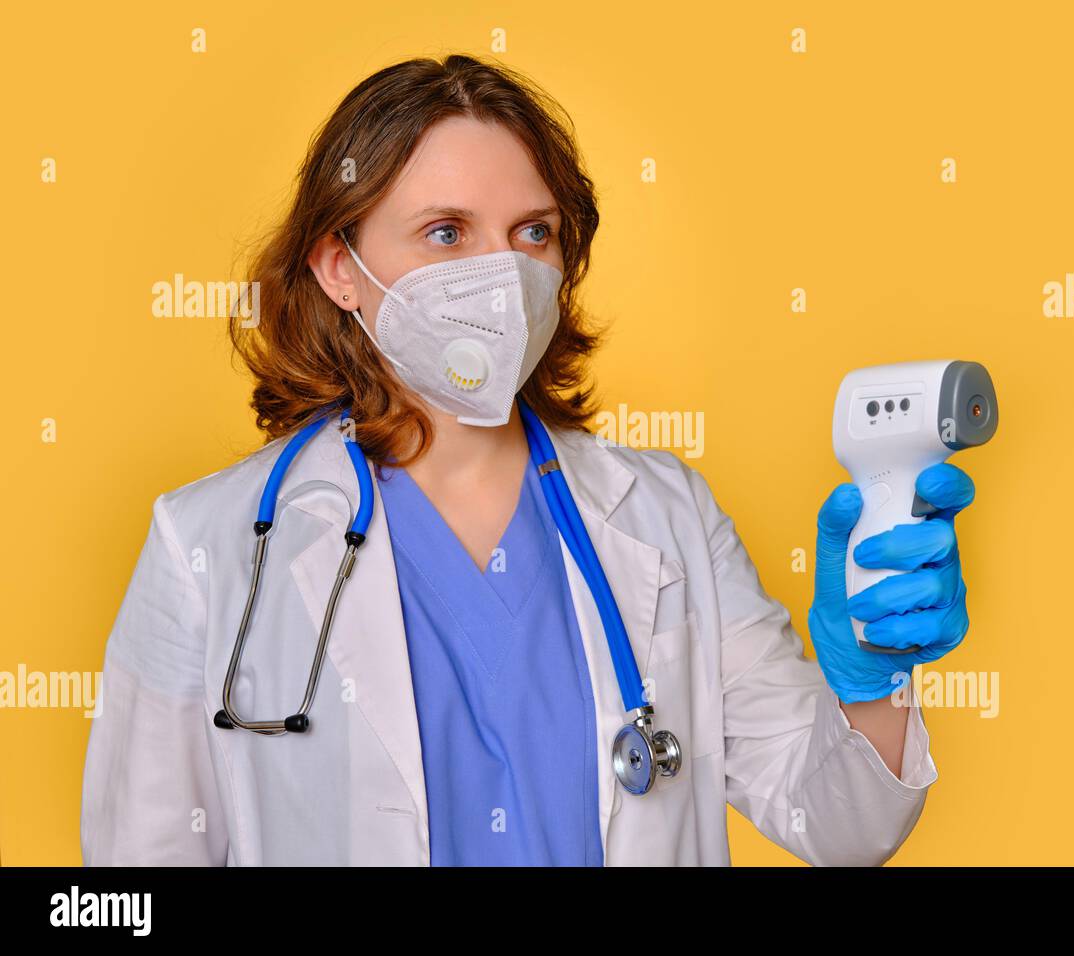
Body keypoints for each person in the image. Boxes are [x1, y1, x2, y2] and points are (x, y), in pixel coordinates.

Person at [81, 55, 977, 866]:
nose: (501, 275)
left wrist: (873, 679)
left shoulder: (668, 513)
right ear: (338, 267)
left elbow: (844, 828)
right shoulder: (209, 543)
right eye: (445, 232)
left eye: (533, 233)